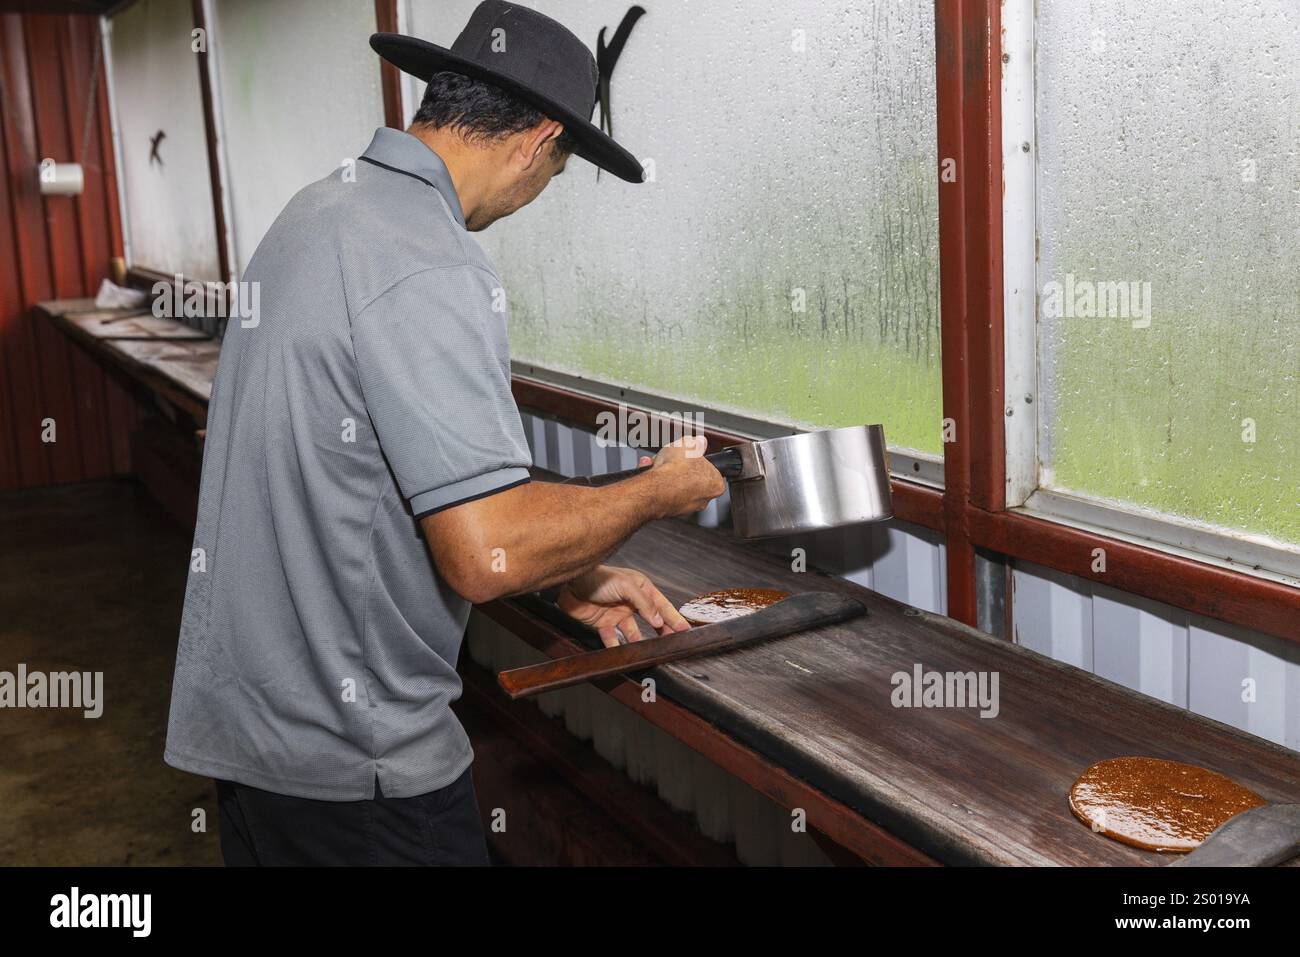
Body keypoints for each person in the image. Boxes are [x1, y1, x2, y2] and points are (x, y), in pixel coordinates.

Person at [163, 0, 724, 866]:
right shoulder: (430, 259)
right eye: (559, 171)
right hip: (360, 774)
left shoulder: (317, 213)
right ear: (536, 141)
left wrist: (570, 571)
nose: (540, 194)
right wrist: (657, 491)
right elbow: (479, 552)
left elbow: (367, 486)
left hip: (253, 748)